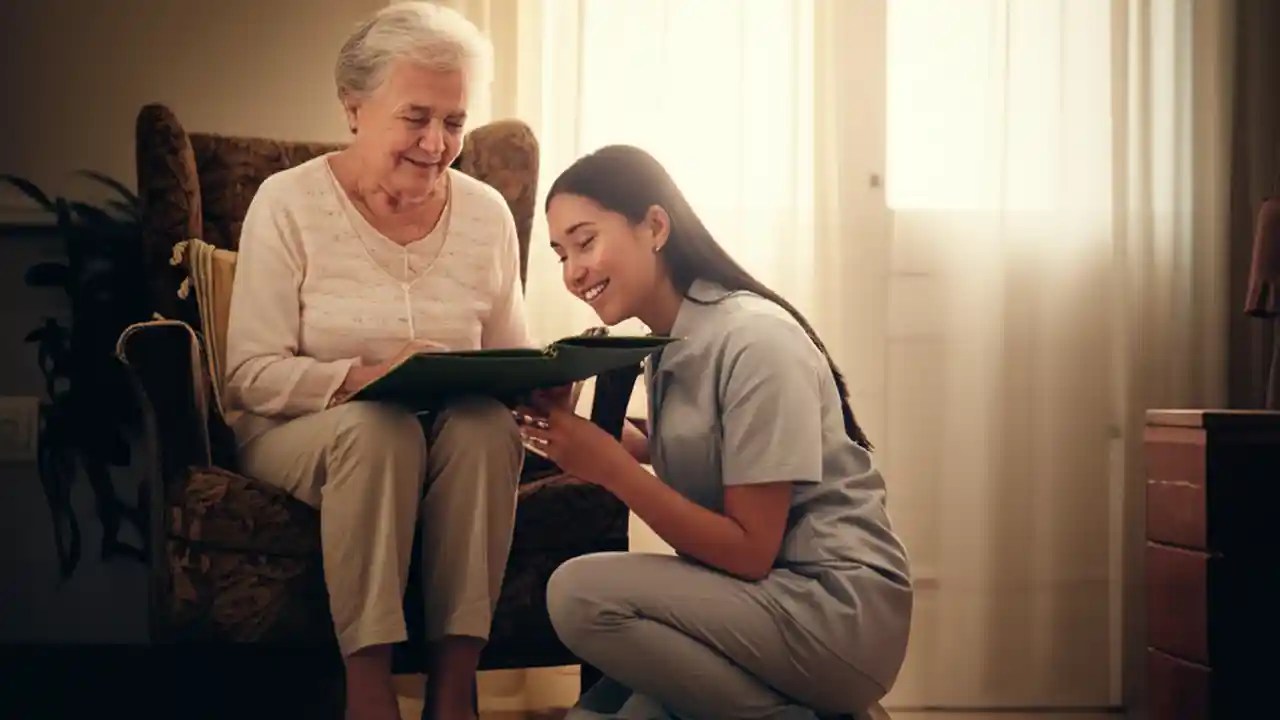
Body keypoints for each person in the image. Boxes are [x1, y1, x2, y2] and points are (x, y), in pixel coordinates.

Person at [514, 145, 913, 720]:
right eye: (560, 254)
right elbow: (716, 442)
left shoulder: (754, 340)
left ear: (654, 227)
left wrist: (612, 468)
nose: (573, 271)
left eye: (586, 241)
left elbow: (750, 551)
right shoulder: (673, 344)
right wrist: (605, 438)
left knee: (579, 593)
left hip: (831, 612)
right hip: (764, 606)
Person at [222, 3, 531, 719]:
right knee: (378, 428)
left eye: (453, 123)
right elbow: (248, 377)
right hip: (304, 436)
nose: (436, 142)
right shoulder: (288, 203)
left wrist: (537, 386)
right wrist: (367, 380)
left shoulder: (486, 214)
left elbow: (509, 358)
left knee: (487, 425)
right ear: (354, 108)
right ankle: (369, 691)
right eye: (415, 117)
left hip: (452, 434)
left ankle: (456, 689)